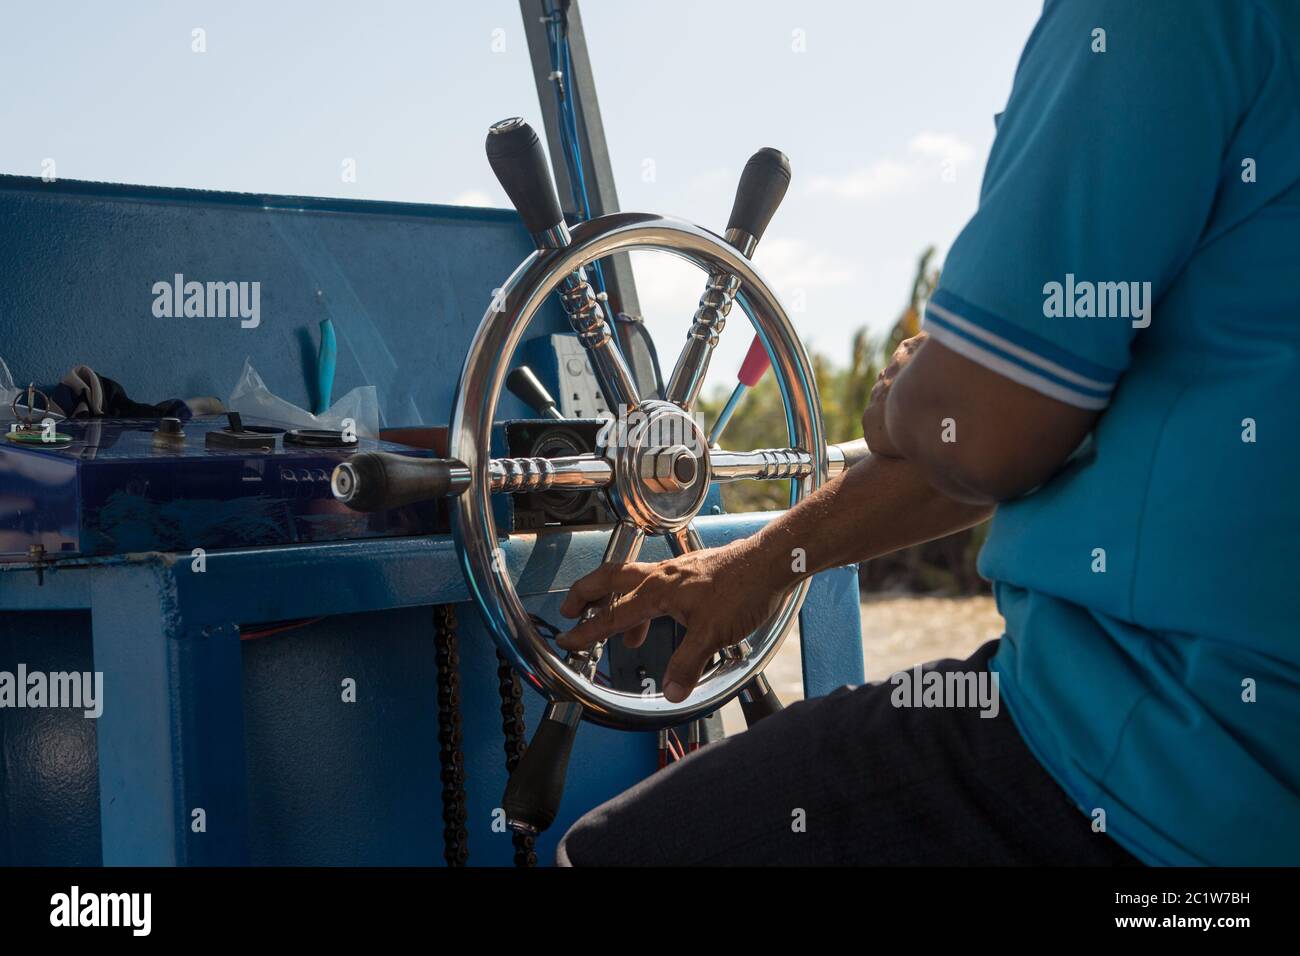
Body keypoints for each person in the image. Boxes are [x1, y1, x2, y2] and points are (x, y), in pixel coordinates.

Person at [554, 0, 1300, 866]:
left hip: (1159, 771)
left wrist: (902, 400)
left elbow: (980, 427)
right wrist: (757, 561)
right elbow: (1025, 423)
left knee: (612, 855)